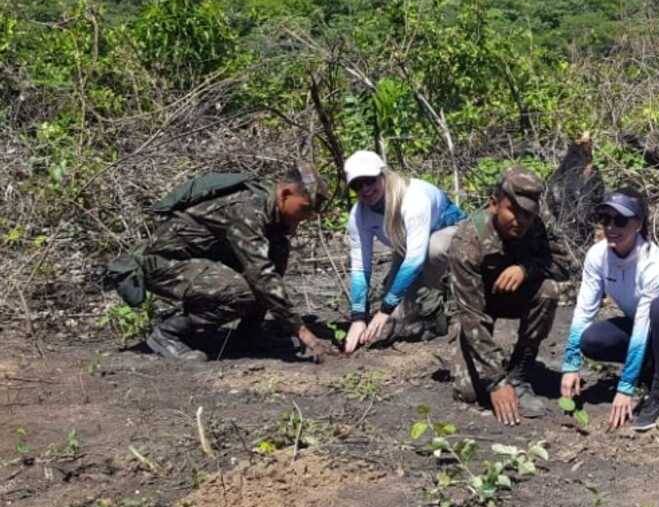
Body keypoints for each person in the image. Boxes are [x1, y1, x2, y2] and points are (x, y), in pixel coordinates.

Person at [103, 164, 336, 362]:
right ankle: (168, 332)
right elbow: (261, 275)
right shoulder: (248, 208)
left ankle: (248, 335)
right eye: (304, 209)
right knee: (243, 291)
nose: (306, 217)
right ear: (285, 194)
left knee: (278, 249)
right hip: (165, 263)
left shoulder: (269, 203)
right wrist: (304, 334)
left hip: (200, 259)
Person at [560, 189, 659, 432]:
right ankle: (648, 370)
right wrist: (571, 364)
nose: (611, 227)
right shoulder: (597, 256)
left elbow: (644, 326)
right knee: (591, 340)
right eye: (606, 219)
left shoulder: (654, 263)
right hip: (641, 322)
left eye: (621, 220)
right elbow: (585, 309)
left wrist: (625, 387)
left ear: (637, 223)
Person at [447, 166, 574, 425]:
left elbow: (565, 265)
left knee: (548, 291)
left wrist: (525, 270)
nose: (520, 220)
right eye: (512, 211)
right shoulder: (467, 241)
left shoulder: (540, 222)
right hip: (474, 306)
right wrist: (495, 382)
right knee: (469, 392)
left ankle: (520, 371)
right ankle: (499, 374)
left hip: (515, 296)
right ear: (494, 204)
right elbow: (472, 316)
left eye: (527, 214)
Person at [341, 150, 467, 354]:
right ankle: (430, 316)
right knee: (395, 320)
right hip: (408, 246)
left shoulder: (413, 199)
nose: (365, 189)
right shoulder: (359, 215)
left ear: (383, 176)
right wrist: (358, 317)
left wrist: (384, 310)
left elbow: (415, 260)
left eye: (369, 181)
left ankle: (451, 304)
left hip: (451, 235)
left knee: (433, 248)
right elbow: (360, 267)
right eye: (357, 185)